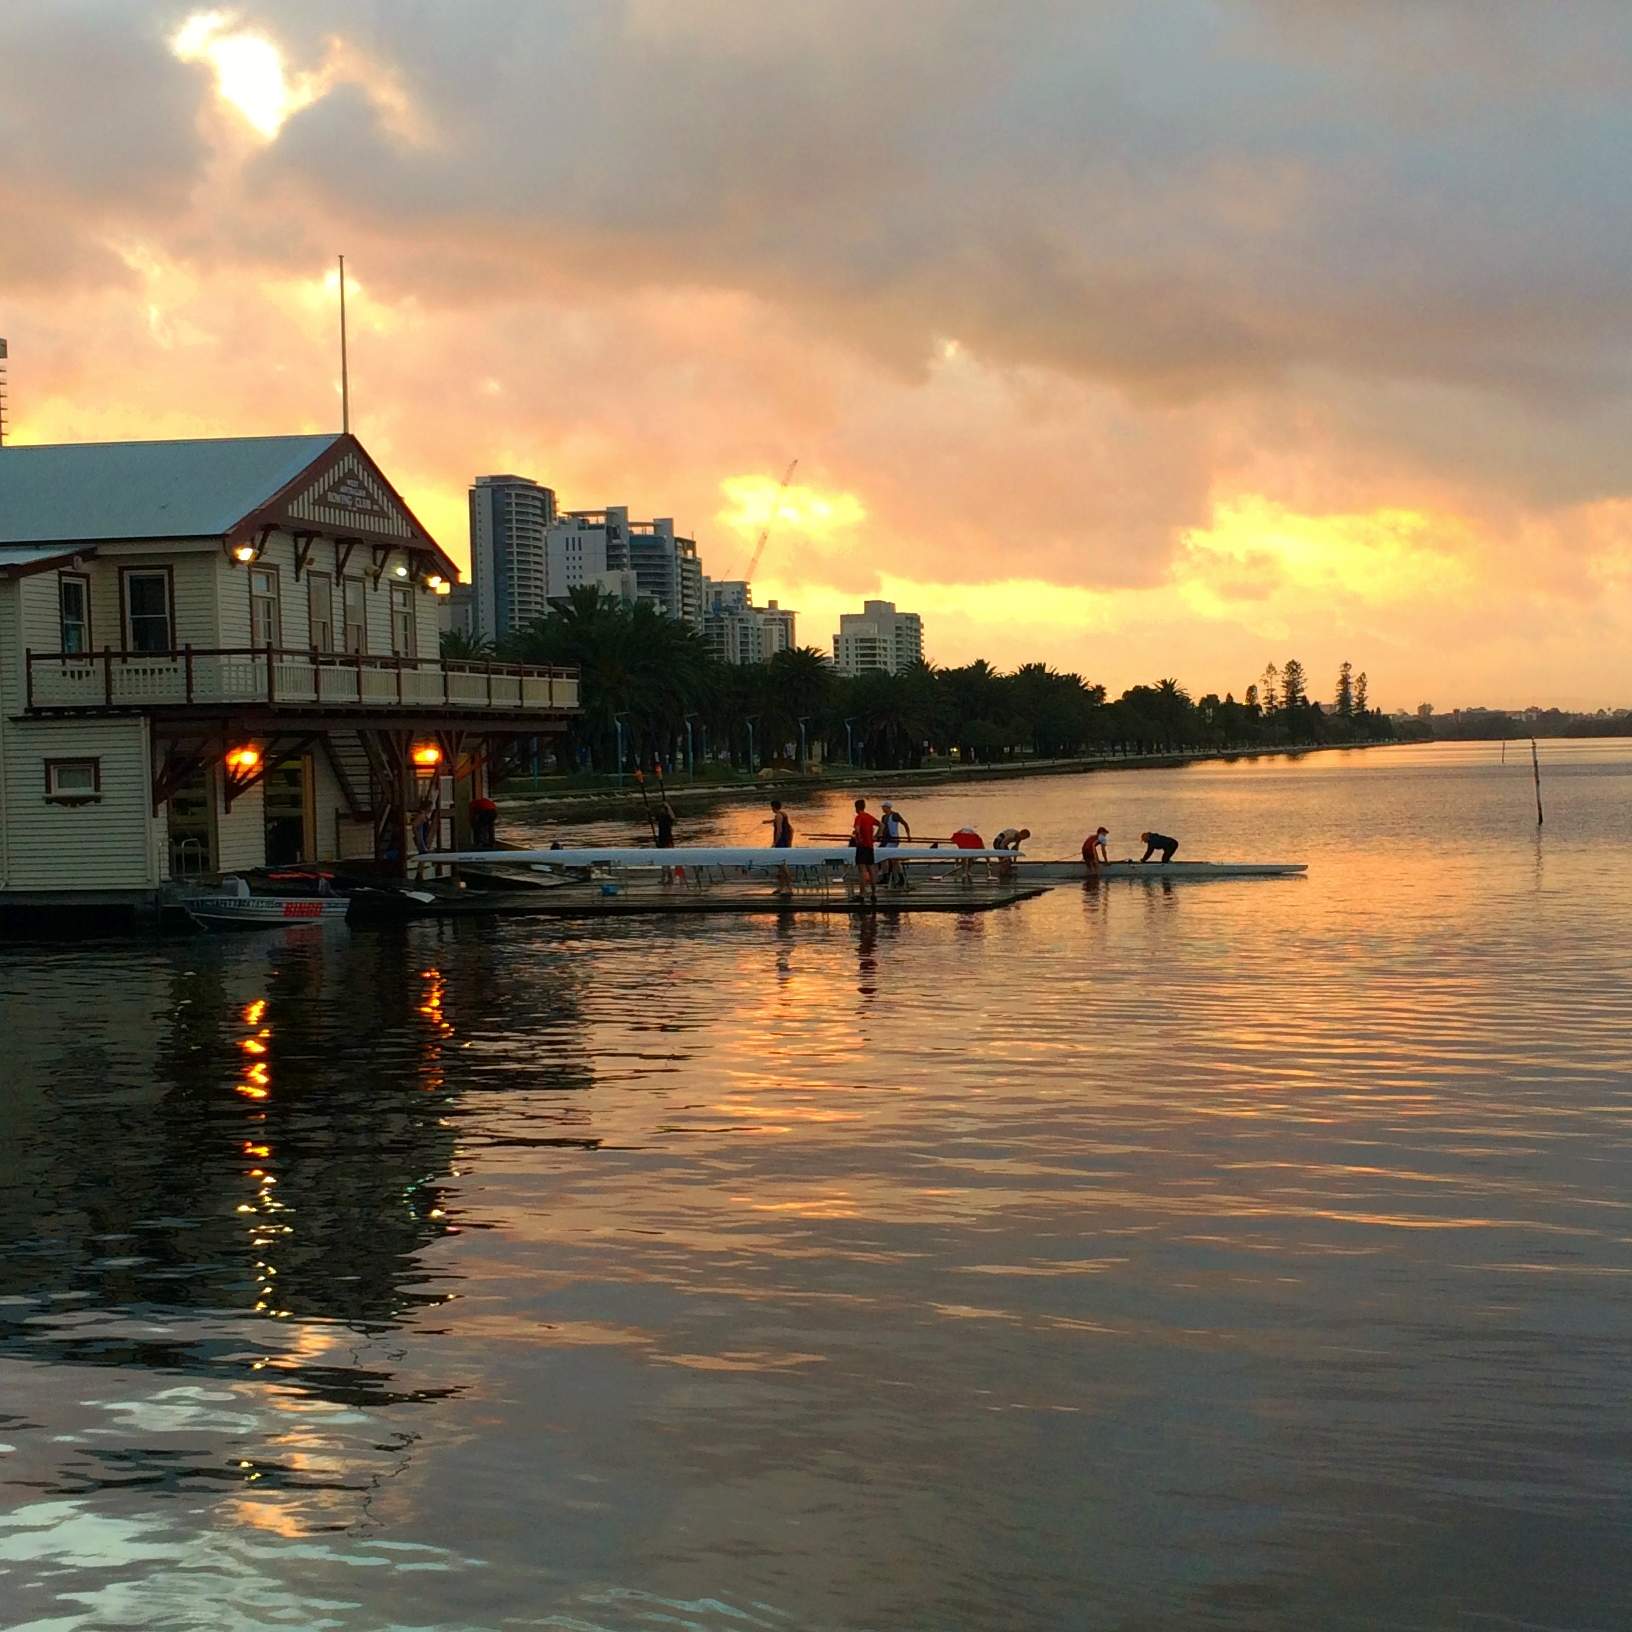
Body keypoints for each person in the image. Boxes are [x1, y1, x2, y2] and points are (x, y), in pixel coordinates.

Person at [850, 797, 880, 904]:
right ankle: (873, 894)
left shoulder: (859, 817)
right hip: (870, 846)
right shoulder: (869, 816)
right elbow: (882, 825)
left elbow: (857, 829)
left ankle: (862, 894)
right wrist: (876, 836)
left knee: (862, 871)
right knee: (871, 870)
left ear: (856, 808)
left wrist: (858, 838)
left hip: (862, 847)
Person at [879, 799, 911, 888]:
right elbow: (882, 828)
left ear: (888, 807)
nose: (882, 809)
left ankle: (896, 878)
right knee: (883, 857)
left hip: (893, 840)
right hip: (885, 840)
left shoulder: (895, 815)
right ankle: (887, 876)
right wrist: (877, 836)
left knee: (891, 859)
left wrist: (908, 835)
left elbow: (905, 824)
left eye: (883, 807)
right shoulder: (883, 817)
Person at [767, 799, 795, 896]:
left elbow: (779, 830)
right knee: (780, 865)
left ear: (773, 807)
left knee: (781, 865)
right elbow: (790, 828)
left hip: (780, 842)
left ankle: (789, 887)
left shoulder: (778, 816)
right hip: (785, 841)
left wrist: (774, 843)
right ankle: (781, 887)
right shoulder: (783, 814)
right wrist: (768, 821)